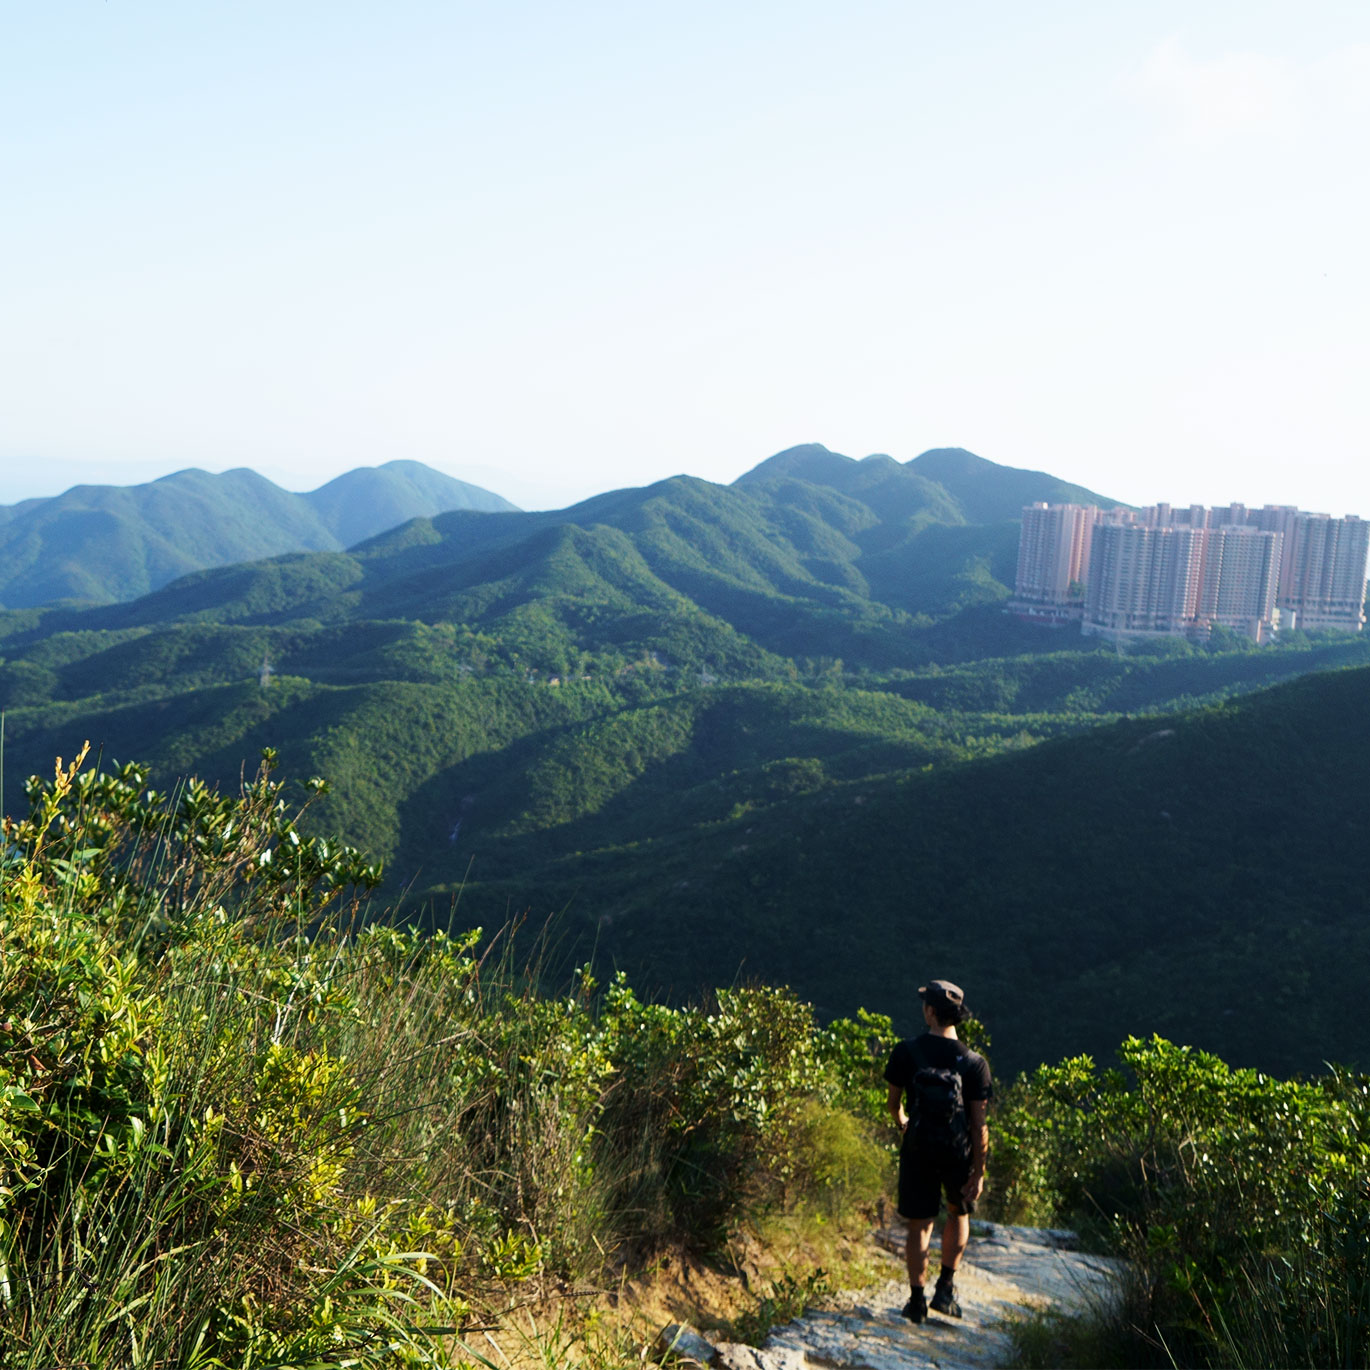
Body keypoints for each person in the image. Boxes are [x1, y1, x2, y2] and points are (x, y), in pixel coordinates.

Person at [883, 978, 992, 1323]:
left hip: (918, 1150)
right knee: (958, 1213)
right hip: (957, 1151)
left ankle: (916, 1301)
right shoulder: (975, 1063)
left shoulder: (906, 1052)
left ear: (930, 1011)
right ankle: (944, 1291)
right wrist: (979, 1171)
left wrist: (904, 1123)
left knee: (920, 1224)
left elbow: (893, 1104)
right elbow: (979, 1125)